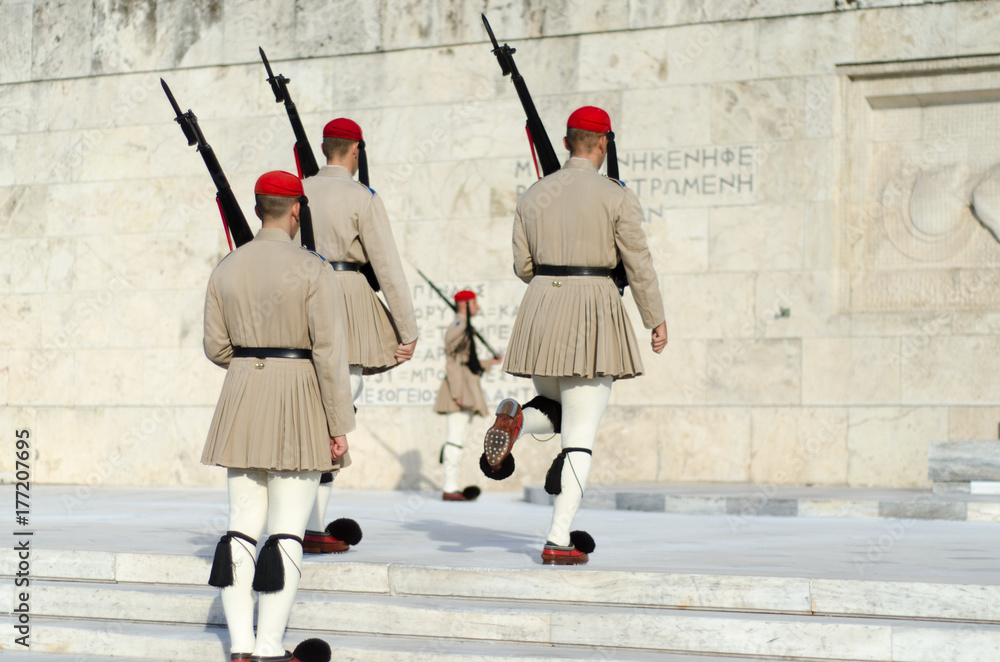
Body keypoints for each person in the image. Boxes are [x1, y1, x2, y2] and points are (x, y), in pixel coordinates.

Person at [481, 107, 668, 565]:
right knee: (579, 436)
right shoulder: (616, 196)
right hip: (593, 306)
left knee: (556, 409)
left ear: (567, 142)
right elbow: (638, 262)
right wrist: (654, 318)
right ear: (603, 143)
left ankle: (519, 421)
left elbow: (523, 267)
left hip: (542, 308)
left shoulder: (532, 196)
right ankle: (558, 537)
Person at [201, 170, 354, 661]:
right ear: (295, 211)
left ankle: (240, 647)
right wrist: (338, 424)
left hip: (243, 395)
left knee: (242, 527)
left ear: (257, 207)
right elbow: (329, 352)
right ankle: (269, 645)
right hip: (300, 396)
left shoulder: (227, 266)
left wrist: (252, 366)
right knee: (287, 528)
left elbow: (215, 347)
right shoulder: (314, 268)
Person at [300, 118, 419, 553]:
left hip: (298, 296)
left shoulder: (297, 190)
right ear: (356, 152)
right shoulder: (362, 197)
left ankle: (302, 522)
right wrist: (406, 328)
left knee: (309, 411)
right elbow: (386, 266)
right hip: (344, 298)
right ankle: (311, 527)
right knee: (337, 410)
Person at [433, 289, 501, 501]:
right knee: (455, 439)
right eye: (474, 303)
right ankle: (450, 488)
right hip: (460, 387)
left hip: (464, 383)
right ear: (465, 305)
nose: (477, 307)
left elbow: (466, 361)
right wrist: (456, 393)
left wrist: (489, 362)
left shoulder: (464, 326)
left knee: (457, 438)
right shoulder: (459, 326)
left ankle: (451, 484)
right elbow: (452, 362)